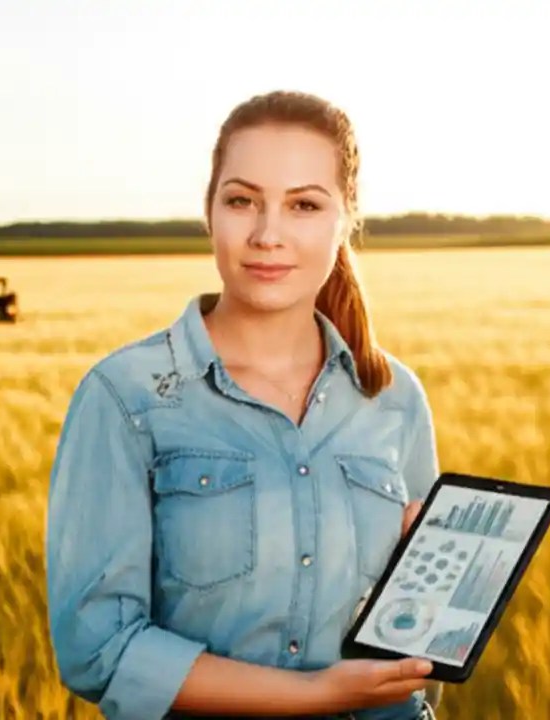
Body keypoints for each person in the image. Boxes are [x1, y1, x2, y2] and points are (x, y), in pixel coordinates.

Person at [45, 90, 443, 720]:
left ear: (346, 221)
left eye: (304, 205)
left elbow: (415, 650)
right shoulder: (127, 399)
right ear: (210, 211)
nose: (266, 235)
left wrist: (438, 591)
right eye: (242, 200)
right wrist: (314, 697)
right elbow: (99, 649)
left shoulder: (392, 400)